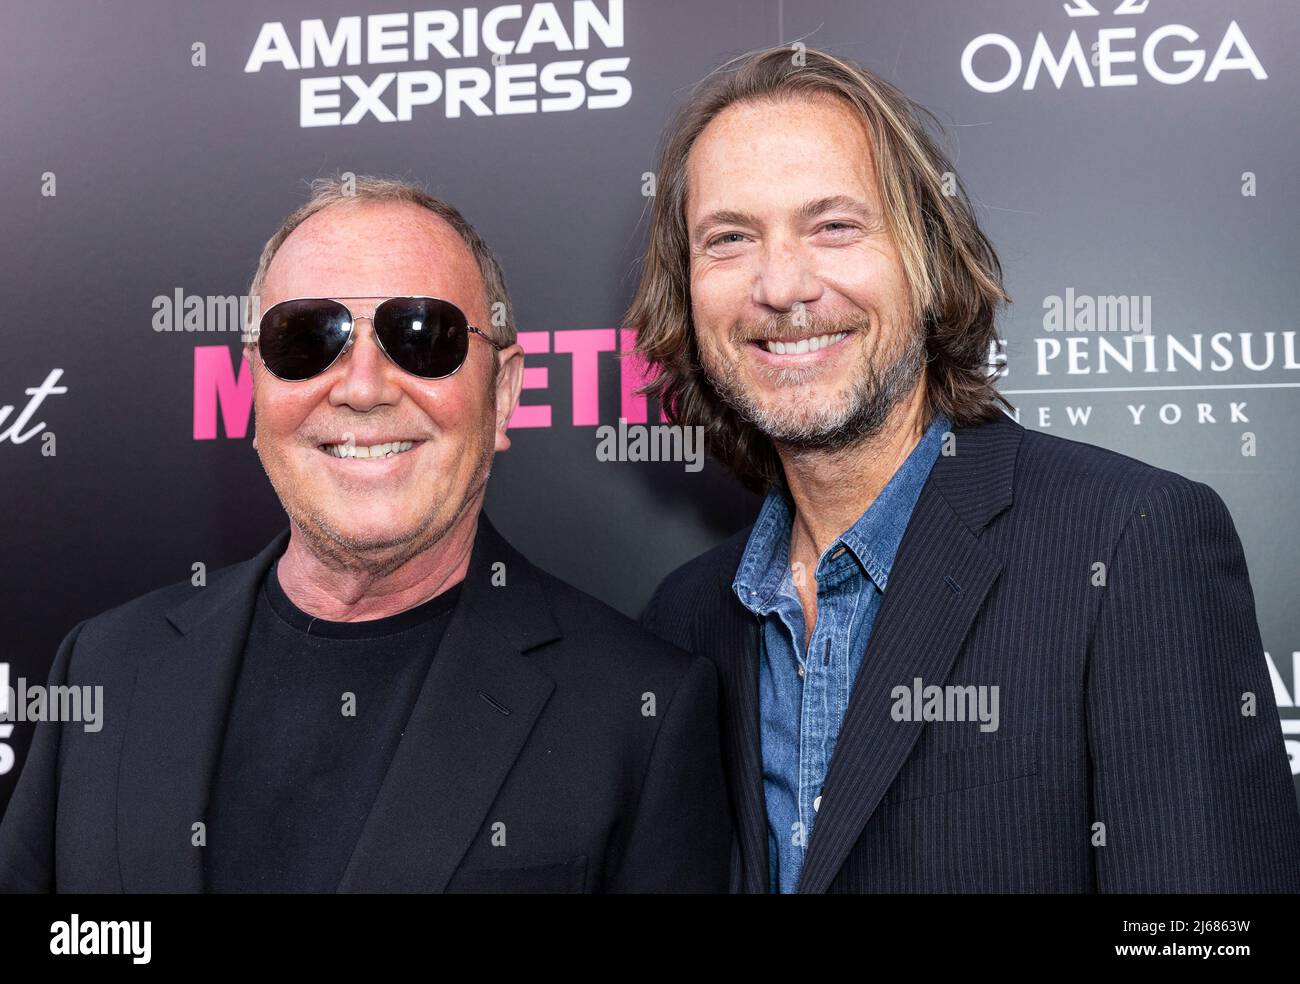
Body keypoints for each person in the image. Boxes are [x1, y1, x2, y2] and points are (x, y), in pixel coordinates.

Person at [630, 46, 1300, 893]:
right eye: (728, 238)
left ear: (927, 258)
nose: (782, 285)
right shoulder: (683, 619)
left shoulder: (1131, 546)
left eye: (834, 225)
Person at [0, 175, 730, 893]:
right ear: (252, 387)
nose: (361, 387)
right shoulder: (106, 666)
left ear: (504, 395)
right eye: (305, 338)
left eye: (421, 335)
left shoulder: (639, 711)